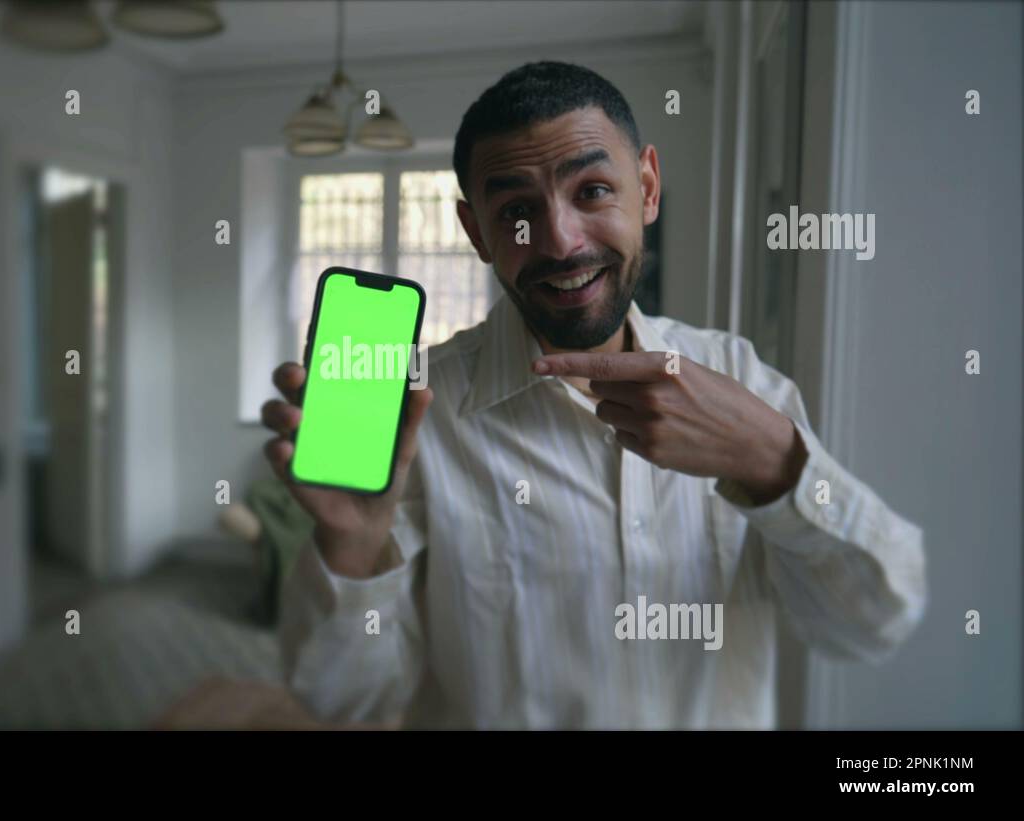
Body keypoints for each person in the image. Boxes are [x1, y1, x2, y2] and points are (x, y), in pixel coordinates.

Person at [260, 61, 926, 729]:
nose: (560, 240)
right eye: (516, 211)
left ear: (648, 188)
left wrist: (773, 462)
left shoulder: (743, 380)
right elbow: (347, 702)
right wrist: (351, 550)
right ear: (475, 232)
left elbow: (874, 623)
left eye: (594, 191)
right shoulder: (415, 417)